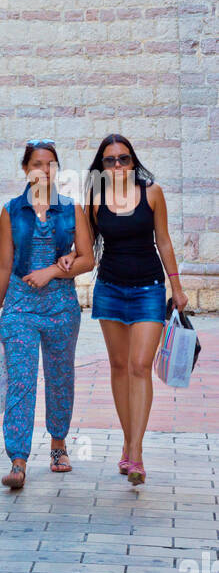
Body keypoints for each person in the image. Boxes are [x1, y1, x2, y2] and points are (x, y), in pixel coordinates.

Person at [0, 141, 95, 490]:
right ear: (25, 169)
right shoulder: (11, 211)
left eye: (50, 164)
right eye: (37, 164)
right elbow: (4, 264)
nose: (44, 170)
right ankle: (18, 460)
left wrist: (54, 270)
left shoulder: (71, 209)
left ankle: (59, 444)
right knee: (21, 380)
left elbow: (87, 258)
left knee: (60, 377)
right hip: (19, 307)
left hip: (61, 307)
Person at [84, 134, 187, 486]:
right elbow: (85, 245)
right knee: (118, 367)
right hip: (110, 289)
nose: (117, 166)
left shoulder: (152, 192)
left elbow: (165, 240)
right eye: (110, 160)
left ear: (133, 161)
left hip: (149, 290)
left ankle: (137, 453)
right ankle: (128, 443)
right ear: (102, 165)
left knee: (139, 366)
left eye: (123, 159)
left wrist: (177, 286)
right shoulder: (94, 198)